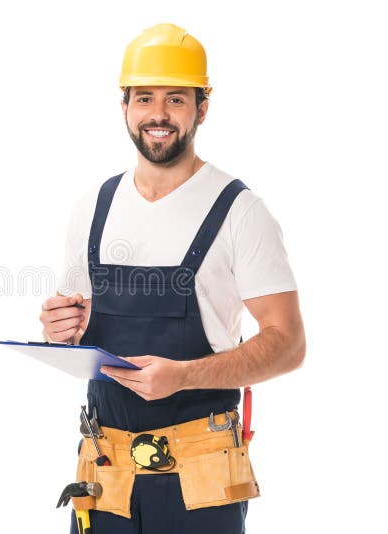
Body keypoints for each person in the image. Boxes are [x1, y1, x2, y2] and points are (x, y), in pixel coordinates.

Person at [39, 23, 306, 534]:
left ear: (202, 109)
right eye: (144, 98)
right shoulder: (95, 207)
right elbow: (80, 326)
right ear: (125, 107)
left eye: (176, 99)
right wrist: (63, 329)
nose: (158, 114)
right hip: (105, 474)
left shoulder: (239, 212)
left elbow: (289, 345)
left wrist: (183, 376)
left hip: (201, 478)